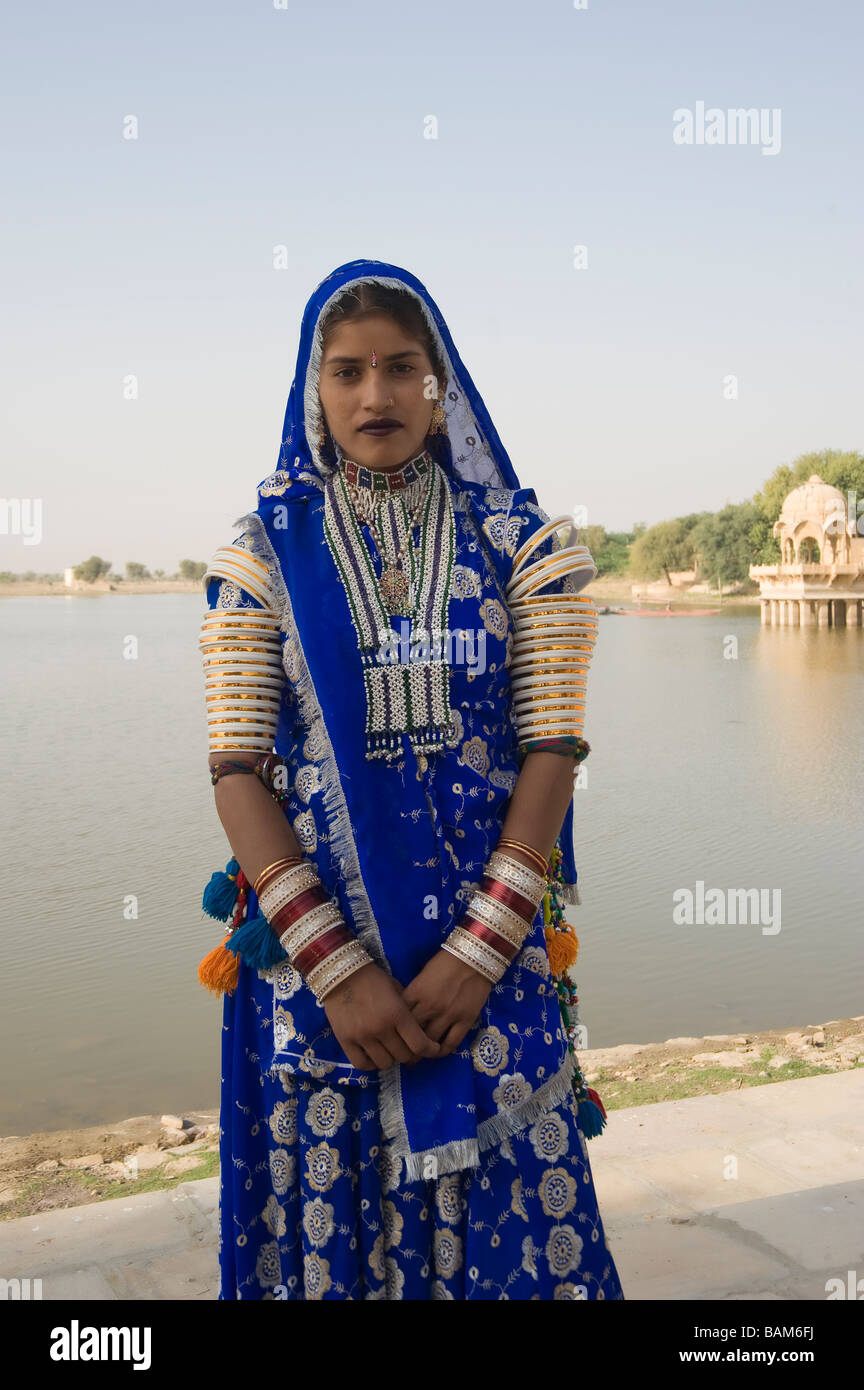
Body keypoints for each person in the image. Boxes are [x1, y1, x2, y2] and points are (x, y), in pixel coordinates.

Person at [197, 259, 624, 1301]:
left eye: (401, 369)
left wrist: (480, 951)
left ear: (443, 388)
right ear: (317, 392)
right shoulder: (260, 556)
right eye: (347, 372)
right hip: (317, 979)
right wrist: (337, 967)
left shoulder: (525, 549)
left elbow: (551, 752)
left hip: (493, 964)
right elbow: (237, 767)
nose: (375, 395)